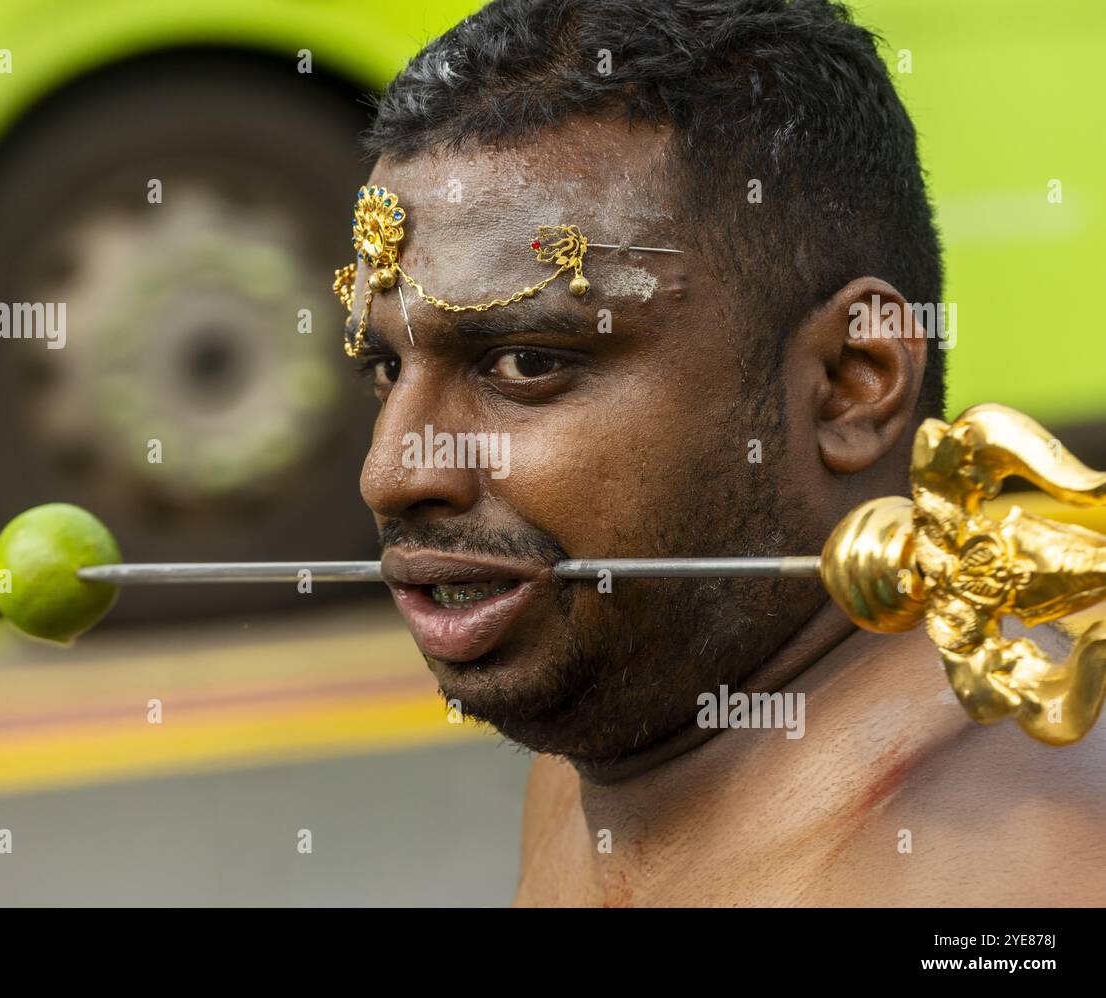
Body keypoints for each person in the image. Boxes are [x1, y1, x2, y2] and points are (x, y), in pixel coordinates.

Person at [340, 0, 1106, 905]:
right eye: (387, 365)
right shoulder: (618, 741)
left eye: (529, 362)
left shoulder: (1009, 878)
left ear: (850, 382)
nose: (391, 472)